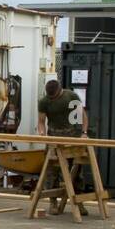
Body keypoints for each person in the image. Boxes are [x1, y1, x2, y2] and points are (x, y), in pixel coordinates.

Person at [37, 79, 90, 213]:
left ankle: (79, 202)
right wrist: (42, 134)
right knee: (52, 171)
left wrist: (84, 133)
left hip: (71, 136)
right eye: (50, 97)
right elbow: (41, 121)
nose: (52, 99)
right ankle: (53, 202)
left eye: (54, 96)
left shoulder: (71, 96)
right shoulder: (44, 102)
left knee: (77, 171)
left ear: (60, 91)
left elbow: (82, 116)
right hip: (54, 137)